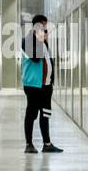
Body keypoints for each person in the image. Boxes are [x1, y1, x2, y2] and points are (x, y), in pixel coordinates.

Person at [22, 14, 62, 153]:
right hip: (33, 86)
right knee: (31, 114)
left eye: (45, 26)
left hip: (46, 85)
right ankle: (29, 144)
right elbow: (35, 58)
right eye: (43, 26)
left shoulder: (43, 42)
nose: (45, 29)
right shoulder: (26, 40)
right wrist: (40, 39)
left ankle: (47, 143)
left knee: (45, 114)